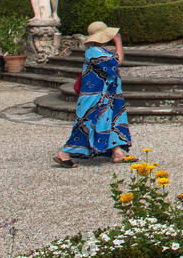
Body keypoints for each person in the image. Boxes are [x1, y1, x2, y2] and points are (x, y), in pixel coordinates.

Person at [54, 22, 131, 168]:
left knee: (110, 121)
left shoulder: (98, 50)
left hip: (106, 96)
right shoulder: (94, 52)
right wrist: (118, 42)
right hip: (95, 97)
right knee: (87, 124)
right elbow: (117, 61)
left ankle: (117, 152)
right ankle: (65, 153)